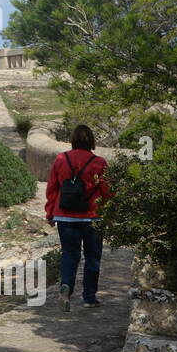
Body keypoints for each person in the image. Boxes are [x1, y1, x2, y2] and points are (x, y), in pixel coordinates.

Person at [45, 124, 113, 312]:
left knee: (69, 254)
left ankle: (66, 286)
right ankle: (89, 297)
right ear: (91, 140)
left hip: (65, 217)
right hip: (92, 217)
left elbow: (52, 188)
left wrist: (50, 212)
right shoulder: (99, 162)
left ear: (73, 140)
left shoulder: (61, 159)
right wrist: (110, 211)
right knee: (93, 257)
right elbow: (107, 191)